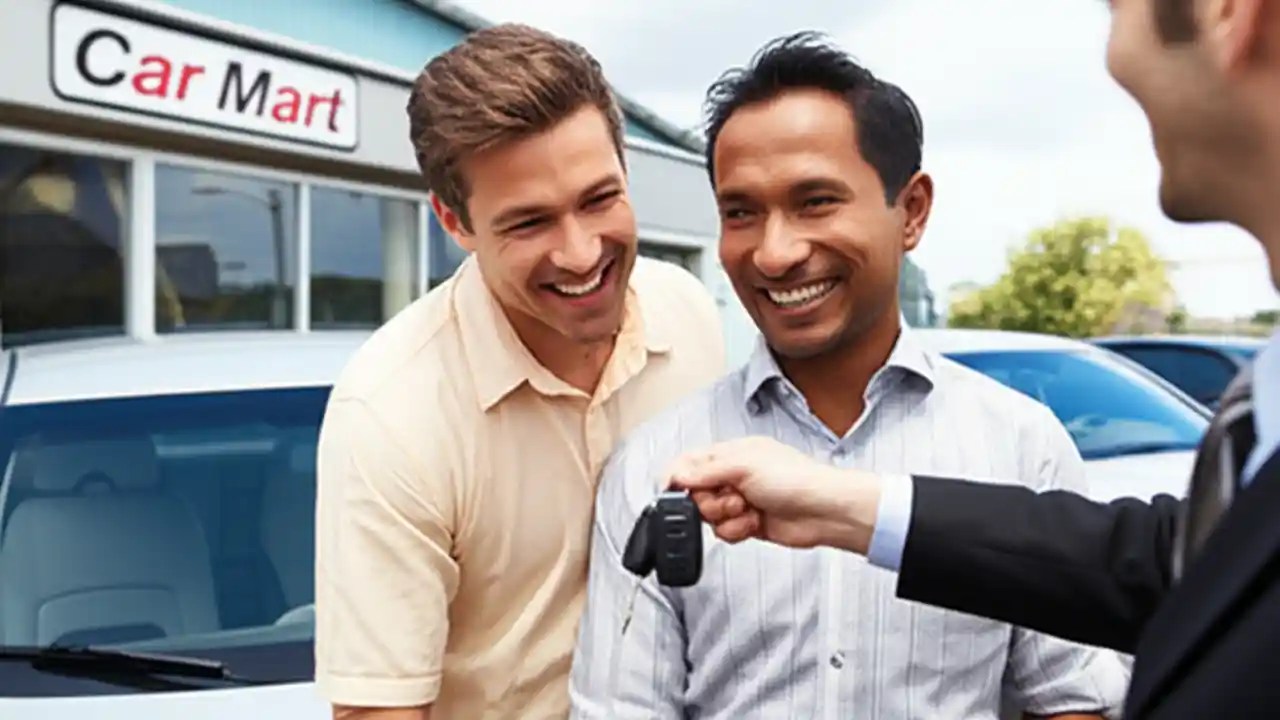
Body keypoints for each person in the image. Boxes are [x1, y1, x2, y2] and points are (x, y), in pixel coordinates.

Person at [670, 2, 1280, 719]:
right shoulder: (670, 451)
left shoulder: (1022, 436)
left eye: (1118, 7)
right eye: (740, 211)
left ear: (1230, 13)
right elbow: (1161, 563)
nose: (1113, 54)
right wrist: (845, 506)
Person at [568, 32, 1129, 720]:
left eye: (815, 201)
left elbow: (1071, 701)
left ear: (912, 210)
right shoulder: (657, 466)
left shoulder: (1018, 448)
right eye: (741, 212)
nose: (774, 253)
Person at [311, 23, 727, 720]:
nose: (580, 252)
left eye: (600, 199)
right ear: (455, 221)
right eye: (529, 223)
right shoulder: (390, 414)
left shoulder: (688, 316)